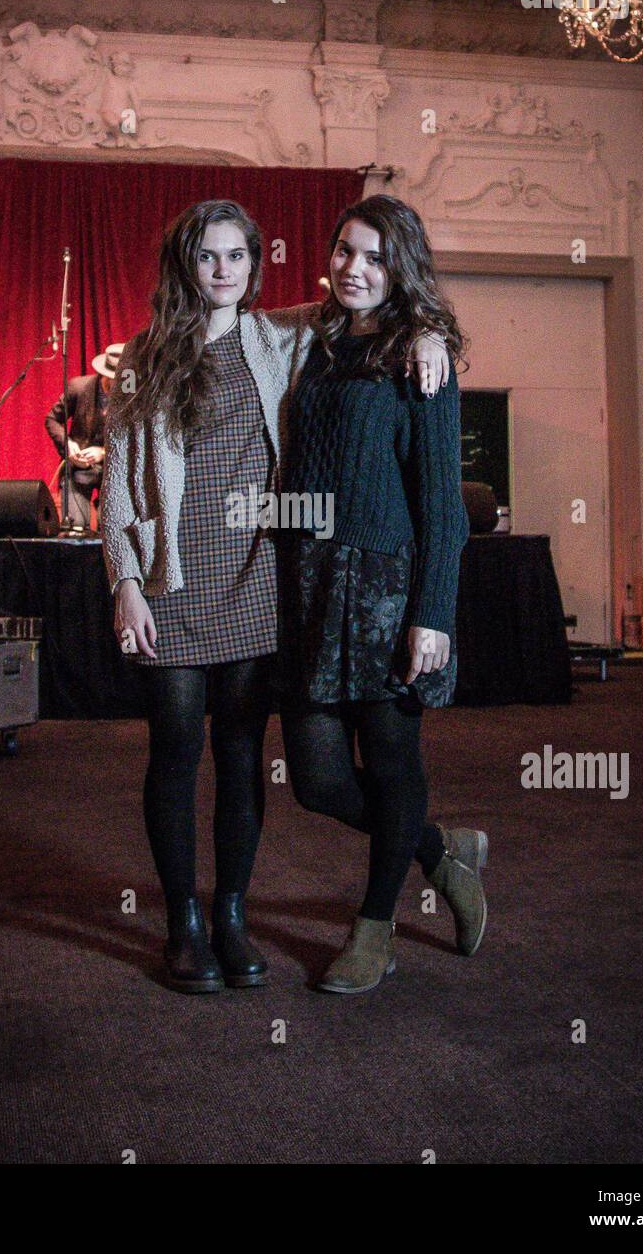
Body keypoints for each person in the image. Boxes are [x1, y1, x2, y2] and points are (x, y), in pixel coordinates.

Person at [99, 198, 452, 994]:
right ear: (184, 266)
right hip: (173, 583)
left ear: (256, 267)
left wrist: (432, 333)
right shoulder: (142, 358)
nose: (223, 272)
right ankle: (183, 925)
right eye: (208, 257)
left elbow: (376, 306)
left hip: (260, 582)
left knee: (239, 756)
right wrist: (125, 581)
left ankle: (230, 913)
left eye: (238, 257)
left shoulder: (281, 334)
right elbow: (118, 488)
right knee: (176, 751)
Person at [277, 194, 488, 995]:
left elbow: (442, 504)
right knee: (319, 781)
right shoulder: (315, 340)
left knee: (392, 762)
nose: (353, 269)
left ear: (400, 265)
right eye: (343, 252)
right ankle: (439, 853)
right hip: (309, 583)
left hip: (385, 588)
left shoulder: (419, 359)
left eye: (373, 257)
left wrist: (431, 612)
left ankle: (375, 930)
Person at [44, 344, 122, 529]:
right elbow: (52, 419)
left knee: (113, 531)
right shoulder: (78, 387)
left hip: (115, 473)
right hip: (79, 472)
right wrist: (68, 444)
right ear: (105, 375)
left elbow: (137, 438)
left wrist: (103, 452)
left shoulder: (134, 395)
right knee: (75, 530)